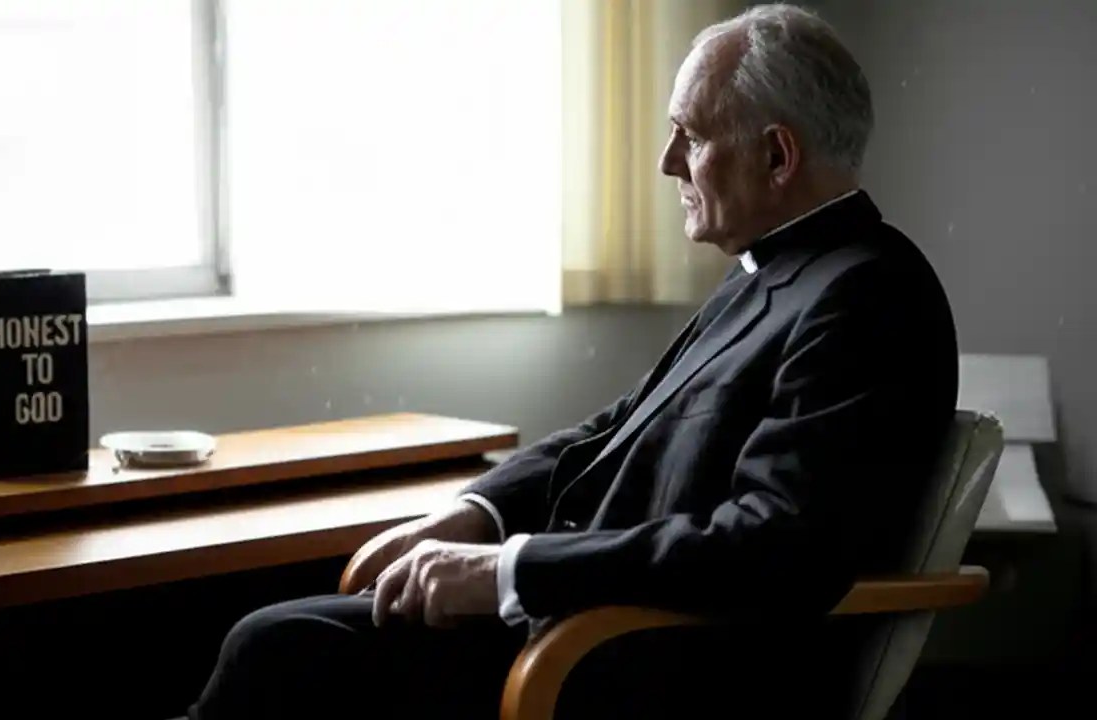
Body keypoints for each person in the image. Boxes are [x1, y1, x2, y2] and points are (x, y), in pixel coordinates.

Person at [188, 4, 957, 719]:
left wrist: (507, 572)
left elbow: (773, 546)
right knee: (274, 634)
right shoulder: (779, 272)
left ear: (777, 155)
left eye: (689, 135)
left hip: (651, 661)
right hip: (595, 628)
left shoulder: (867, 295)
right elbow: (620, 426)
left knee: (277, 650)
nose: (667, 162)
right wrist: (478, 511)